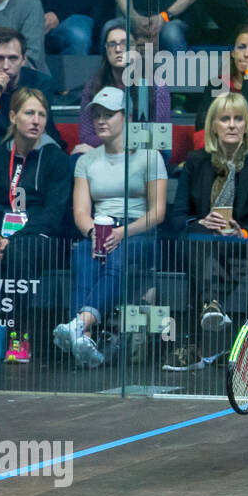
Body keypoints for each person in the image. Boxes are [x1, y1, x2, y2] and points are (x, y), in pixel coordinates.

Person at [53, 87, 167, 369]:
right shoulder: (85, 161)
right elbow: (81, 212)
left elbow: (157, 213)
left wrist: (121, 233)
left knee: (117, 257)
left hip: (139, 233)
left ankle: (79, 324)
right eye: (97, 115)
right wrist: (95, 233)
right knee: (83, 256)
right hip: (100, 230)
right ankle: (85, 340)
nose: (101, 121)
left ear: (126, 117)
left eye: (109, 114)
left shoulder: (150, 156)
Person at [168, 93, 248, 362]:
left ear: (247, 126)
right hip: (203, 249)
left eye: (238, 119)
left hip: (244, 247)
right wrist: (201, 221)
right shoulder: (195, 162)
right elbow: (178, 217)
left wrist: (244, 232)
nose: (232, 125)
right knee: (200, 235)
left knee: (207, 248)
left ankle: (202, 326)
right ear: (213, 126)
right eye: (225, 119)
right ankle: (211, 304)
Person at [0, 88, 70, 364]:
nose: (36, 120)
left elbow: (53, 214)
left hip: (40, 236)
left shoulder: (56, 158)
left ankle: (20, 334)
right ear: (13, 116)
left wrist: (11, 239)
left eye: (42, 114)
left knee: (17, 253)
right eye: (29, 113)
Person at [71, 24, 170, 157]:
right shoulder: (94, 85)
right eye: (112, 44)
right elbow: (87, 137)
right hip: (105, 155)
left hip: (146, 156)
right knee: (77, 156)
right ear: (106, 50)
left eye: (125, 43)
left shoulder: (156, 85)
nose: (118, 49)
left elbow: (158, 138)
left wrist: (113, 142)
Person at [0, 29, 64, 160]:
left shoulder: (41, 82)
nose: (6, 65)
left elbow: (36, 133)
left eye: (13, 58)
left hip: (39, 149)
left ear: (23, 59)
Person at [194, 23, 248, 150]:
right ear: (233, 52)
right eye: (241, 47)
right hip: (219, 148)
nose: (246, 54)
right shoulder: (217, 84)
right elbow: (202, 123)